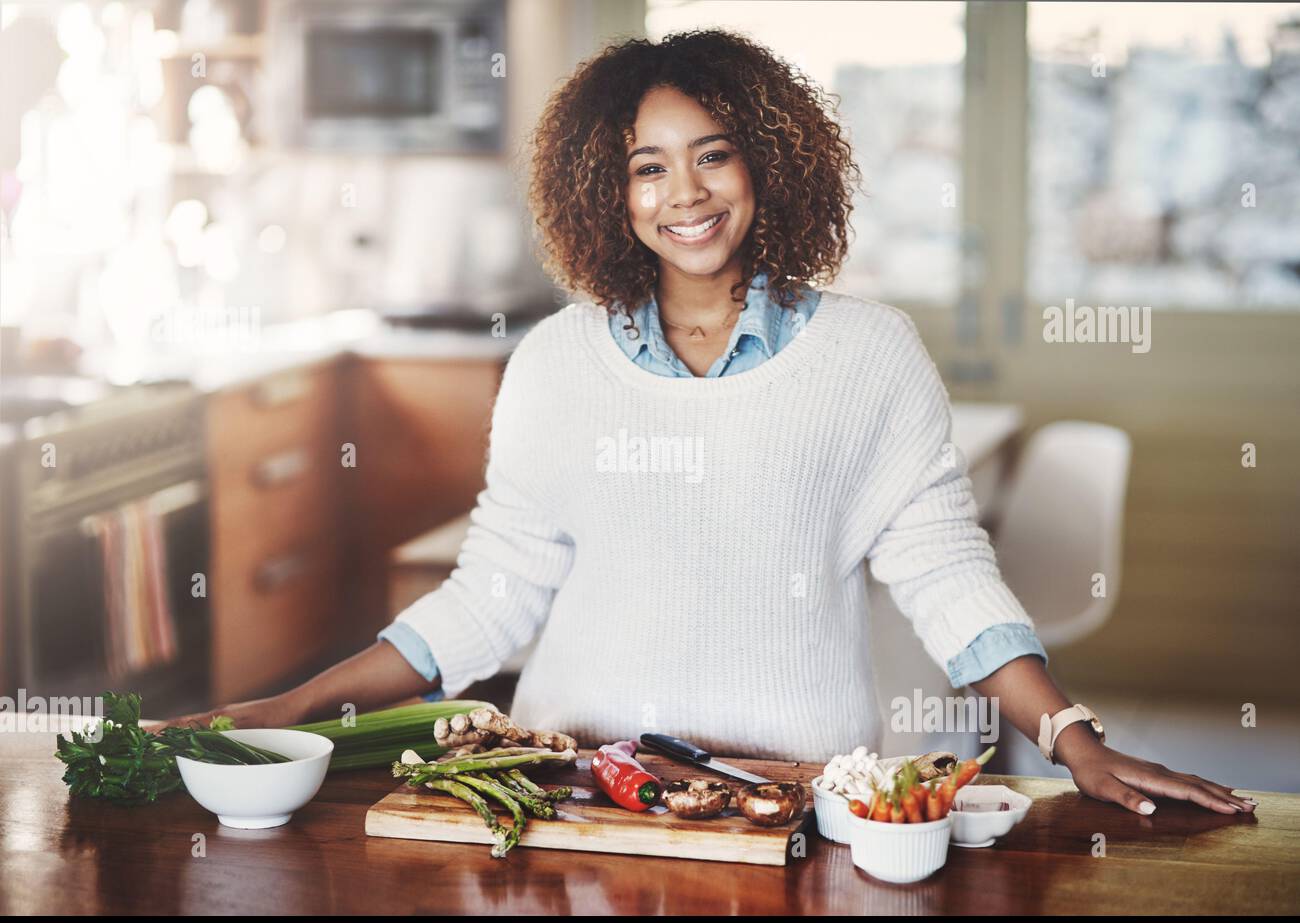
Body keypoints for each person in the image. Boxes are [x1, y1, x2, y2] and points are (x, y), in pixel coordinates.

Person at [163, 30, 1253, 817]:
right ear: (609, 191)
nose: (683, 191)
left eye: (712, 152)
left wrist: (1069, 736)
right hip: (571, 787)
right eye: (647, 165)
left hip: (790, 802)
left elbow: (945, 573)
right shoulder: (552, 364)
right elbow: (491, 594)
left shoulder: (868, 356)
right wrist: (298, 702)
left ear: (765, 162)